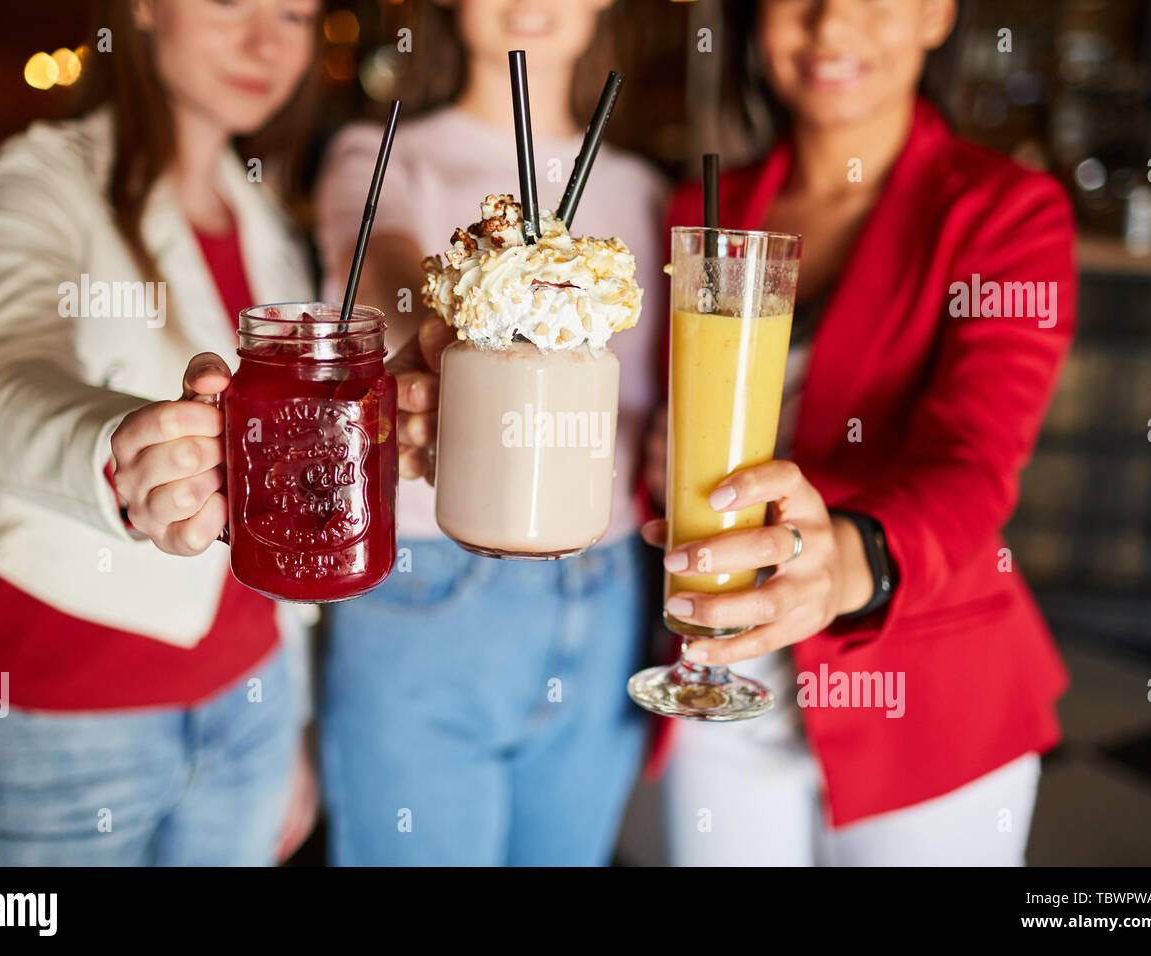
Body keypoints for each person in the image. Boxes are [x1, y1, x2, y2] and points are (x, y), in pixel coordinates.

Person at [636, 0, 1075, 865]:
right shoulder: (701, 210)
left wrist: (851, 559)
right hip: (724, 674)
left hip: (926, 692)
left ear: (937, 14)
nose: (830, 26)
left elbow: (976, 463)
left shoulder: (1005, 211)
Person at [0, 0, 323, 865]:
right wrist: (115, 452)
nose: (266, 40)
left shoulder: (263, 213)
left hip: (251, 694)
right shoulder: (48, 172)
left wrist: (291, 717)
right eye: (233, 3)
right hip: (71, 706)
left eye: (297, 14)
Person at [312, 0, 668, 865]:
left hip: (609, 588)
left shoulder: (647, 189)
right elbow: (387, 275)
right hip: (431, 585)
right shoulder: (381, 152)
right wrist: (423, 348)